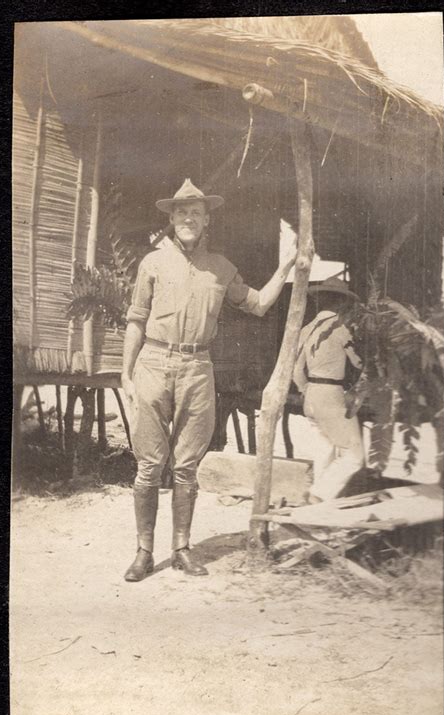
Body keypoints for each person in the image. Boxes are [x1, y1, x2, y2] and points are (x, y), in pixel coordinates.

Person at [122, 179, 295, 580]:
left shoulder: (221, 268)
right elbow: (135, 321)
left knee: (186, 468)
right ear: (171, 217)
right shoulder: (152, 263)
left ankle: (181, 548)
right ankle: (144, 552)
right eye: (181, 212)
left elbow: (258, 304)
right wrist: (125, 375)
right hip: (152, 362)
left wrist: (286, 266)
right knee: (149, 467)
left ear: (206, 220)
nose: (187, 218)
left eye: (195, 213)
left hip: (198, 370)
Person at [293, 276, 365, 503]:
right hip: (331, 394)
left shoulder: (306, 329)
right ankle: (319, 495)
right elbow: (359, 363)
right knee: (354, 456)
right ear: (340, 302)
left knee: (324, 450)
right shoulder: (340, 328)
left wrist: (305, 389)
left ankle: (319, 508)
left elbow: (296, 370)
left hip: (311, 395)